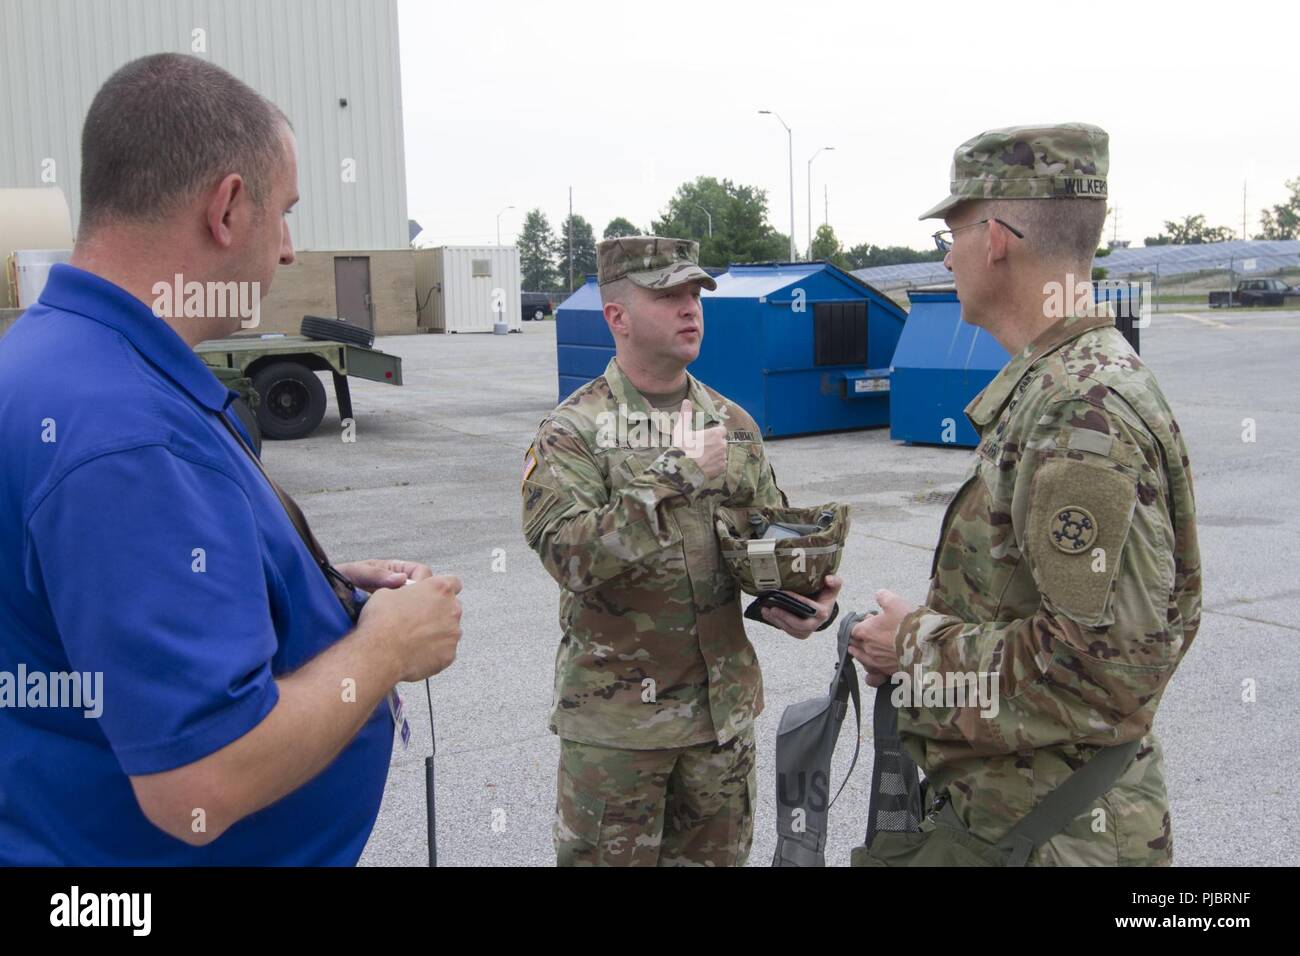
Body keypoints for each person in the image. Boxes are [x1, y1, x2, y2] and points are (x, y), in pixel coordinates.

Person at [0, 53, 462, 865]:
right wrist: (386, 647)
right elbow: (199, 785)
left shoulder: (57, 359)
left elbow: (92, 606)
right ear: (227, 207)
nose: (287, 249)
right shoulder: (125, 431)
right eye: (283, 213)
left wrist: (291, 592)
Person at [849, 123, 1201, 865]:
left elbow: (1104, 672)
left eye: (952, 232)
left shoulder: (1081, 412)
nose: (946, 256)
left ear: (995, 238)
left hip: (1055, 837)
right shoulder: (1066, 386)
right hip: (1032, 821)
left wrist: (911, 646)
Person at [522, 236, 841, 865]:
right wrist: (676, 474)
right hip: (618, 733)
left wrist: (805, 594)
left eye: (695, 294)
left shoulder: (733, 423)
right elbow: (570, 556)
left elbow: (761, 541)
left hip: (718, 726)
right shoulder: (573, 431)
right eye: (667, 295)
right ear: (617, 316)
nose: (690, 308)